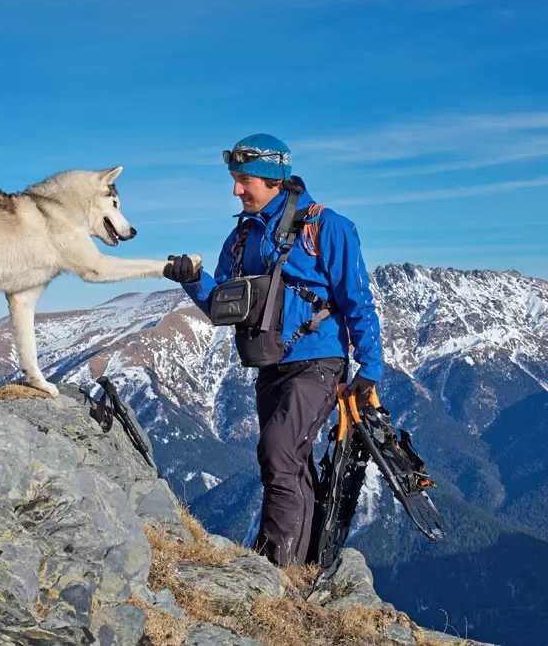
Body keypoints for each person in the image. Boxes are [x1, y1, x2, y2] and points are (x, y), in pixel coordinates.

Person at [163, 133, 384, 567]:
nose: (236, 190)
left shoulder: (327, 227)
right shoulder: (241, 238)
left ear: (274, 180)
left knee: (278, 450)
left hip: (318, 361)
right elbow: (222, 305)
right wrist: (192, 278)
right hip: (269, 365)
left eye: (244, 179)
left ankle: (273, 567)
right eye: (233, 179)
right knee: (289, 459)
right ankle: (302, 566)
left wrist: (369, 368)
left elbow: (358, 299)